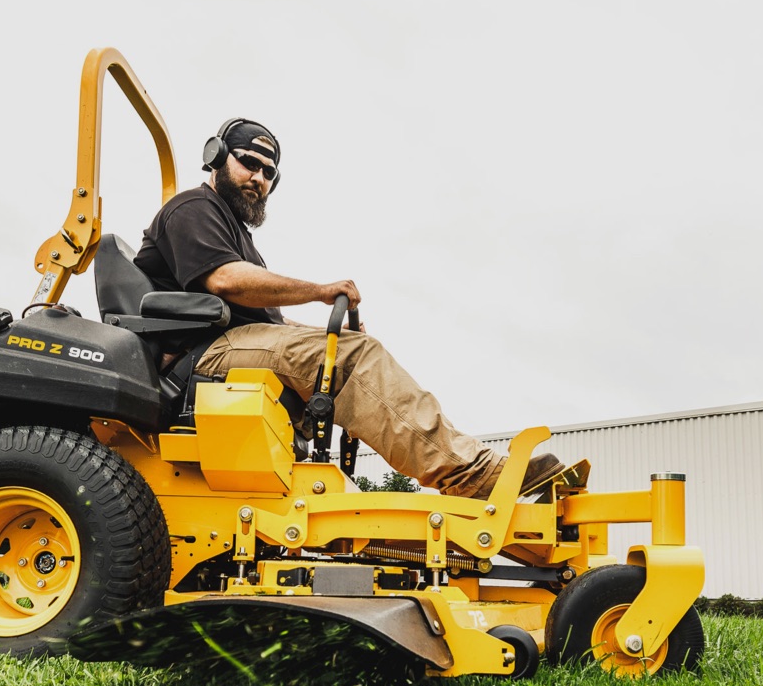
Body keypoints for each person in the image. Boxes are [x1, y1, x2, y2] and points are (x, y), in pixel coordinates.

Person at [132, 118, 570, 499]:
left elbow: (269, 321)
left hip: (229, 342)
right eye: (249, 162)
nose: (259, 178)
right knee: (352, 358)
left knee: (344, 347)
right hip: (200, 356)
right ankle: (474, 475)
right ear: (216, 157)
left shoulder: (237, 233)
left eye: (269, 173)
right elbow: (225, 280)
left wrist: (329, 334)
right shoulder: (192, 208)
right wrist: (320, 290)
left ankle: (471, 485)